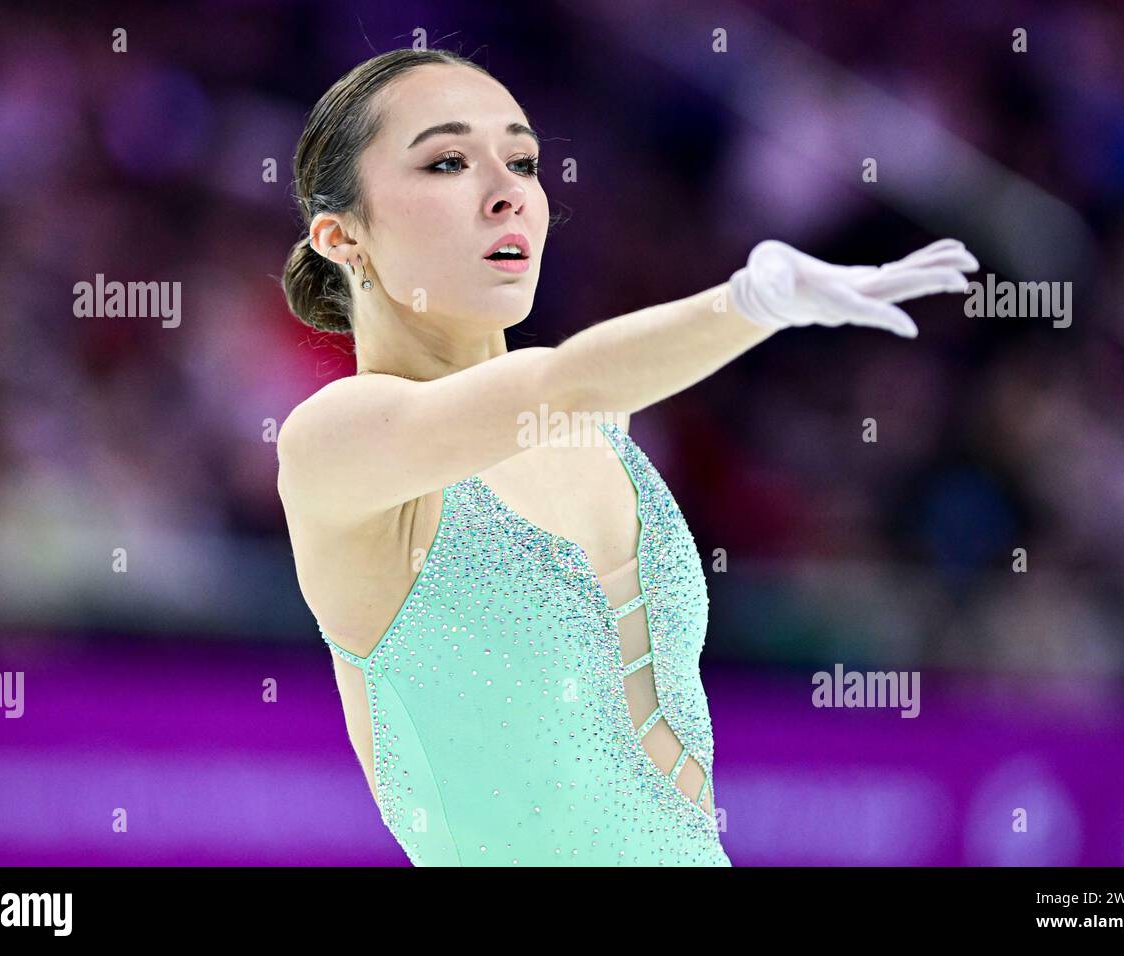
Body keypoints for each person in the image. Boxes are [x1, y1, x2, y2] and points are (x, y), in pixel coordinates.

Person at [276, 48, 977, 866]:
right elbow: (560, 382)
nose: (508, 192)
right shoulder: (334, 441)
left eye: (525, 160)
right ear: (340, 235)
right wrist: (748, 303)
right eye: (448, 161)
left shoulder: (604, 430)